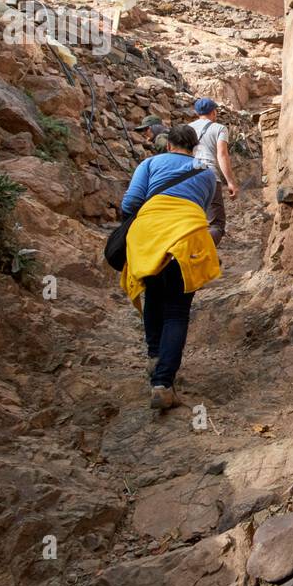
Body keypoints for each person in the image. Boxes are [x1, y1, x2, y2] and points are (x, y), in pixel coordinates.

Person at [119, 124, 221, 411]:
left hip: (150, 238)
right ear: (195, 147)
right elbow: (201, 207)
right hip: (187, 239)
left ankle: (154, 358)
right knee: (176, 312)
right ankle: (163, 384)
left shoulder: (150, 163)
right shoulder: (206, 174)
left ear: (168, 145)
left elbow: (130, 203)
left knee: (153, 296)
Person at [188, 97, 239, 244]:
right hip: (209, 176)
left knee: (192, 221)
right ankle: (203, 254)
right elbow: (222, 155)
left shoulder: (188, 128)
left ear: (197, 112)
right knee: (216, 224)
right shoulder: (219, 128)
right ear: (213, 112)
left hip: (188, 176)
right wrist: (230, 182)